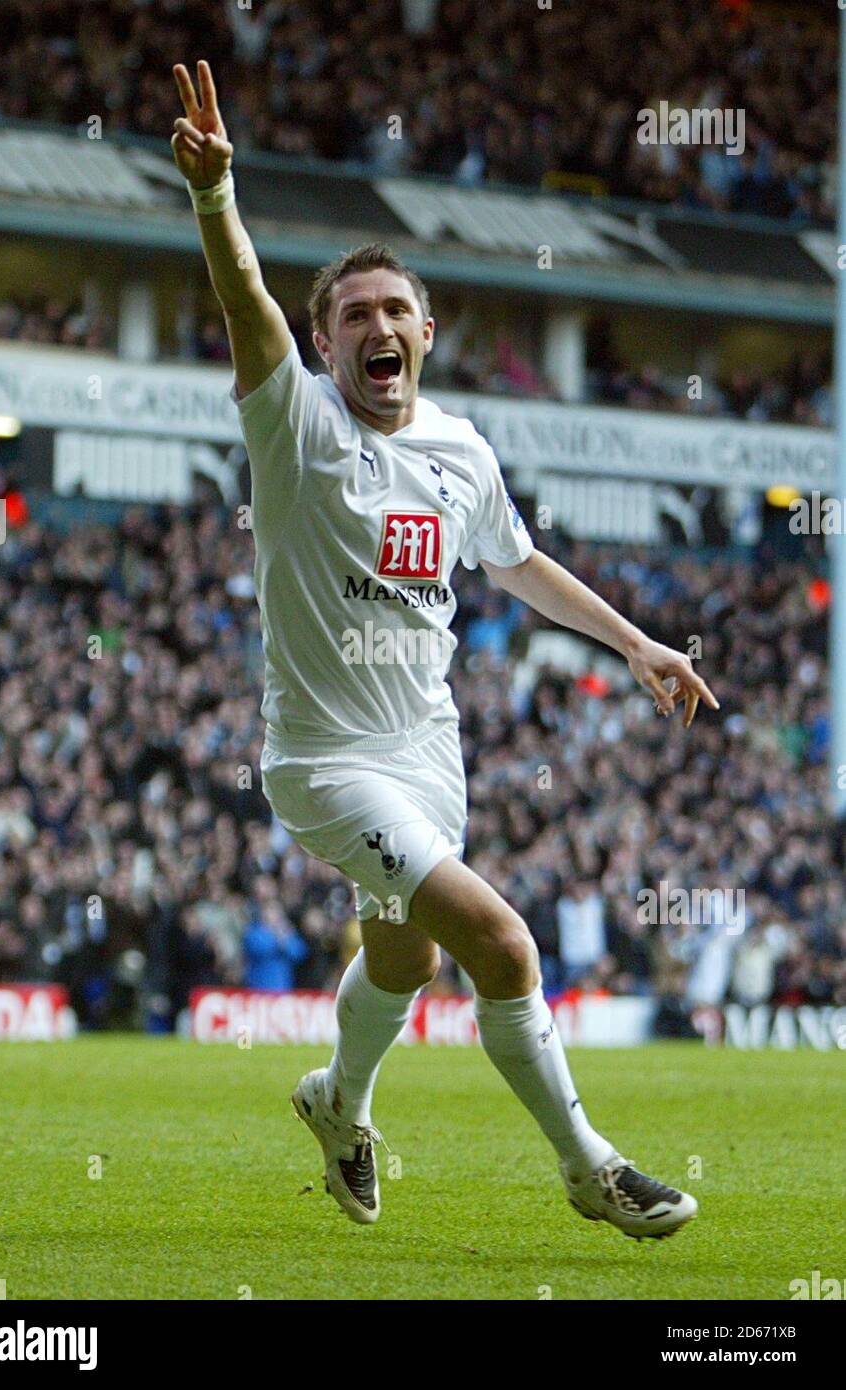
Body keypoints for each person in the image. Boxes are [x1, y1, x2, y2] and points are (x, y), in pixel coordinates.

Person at [171, 60, 719, 1238]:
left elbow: (517, 562)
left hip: (431, 751)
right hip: (326, 758)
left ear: (427, 331)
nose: (375, 326)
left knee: (407, 960)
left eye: (392, 310)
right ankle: (591, 1167)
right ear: (324, 343)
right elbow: (244, 303)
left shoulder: (463, 450)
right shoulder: (298, 419)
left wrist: (635, 643)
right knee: (500, 940)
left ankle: (337, 1100)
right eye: (351, 313)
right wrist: (219, 199)